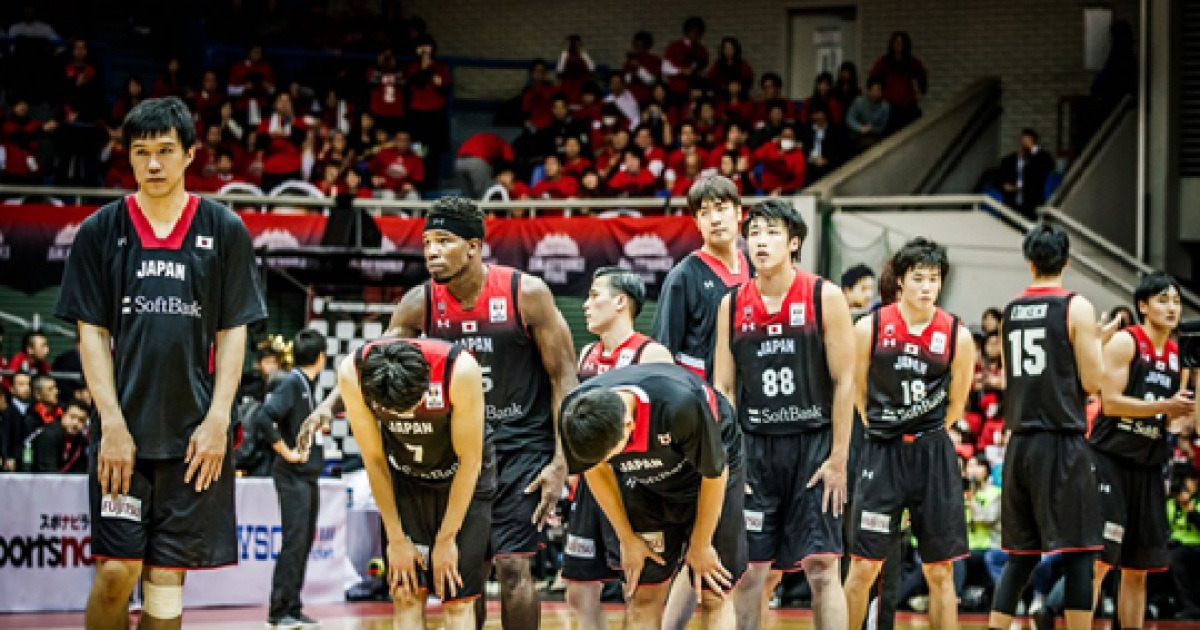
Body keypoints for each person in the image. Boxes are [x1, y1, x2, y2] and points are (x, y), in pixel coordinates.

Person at [303, 196, 578, 629]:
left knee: (512, 567)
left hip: (521, 446)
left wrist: (563, 461)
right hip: (458, 450)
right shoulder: (419, 303)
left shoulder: (526, 294)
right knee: (469, 575)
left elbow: (565, 377)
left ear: (474, 246)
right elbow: (374, 363)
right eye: (428, 241)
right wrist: (327, 406)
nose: (431, 250)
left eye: (444, 241)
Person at [54, 97, 267, 629]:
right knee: (115, 575)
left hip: (195, 442)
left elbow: (234, 332)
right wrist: (112, 424)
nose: (153, 164)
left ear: (190, 155)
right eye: (141, 151)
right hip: (123, 439)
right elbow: (92, 335)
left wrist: (219, 419)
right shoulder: (100, 231)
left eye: (165, 151)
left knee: (166, 591)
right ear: (126, 156)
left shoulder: (224, 229)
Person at [713, 199, 856, 629]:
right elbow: (724, 387)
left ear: (794, 243)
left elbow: (845, 381)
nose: (760, 241)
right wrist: (733, 461)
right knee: (751, 572)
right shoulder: (732, 304)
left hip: (813, 447)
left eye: (772, 232)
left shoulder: (823, 296)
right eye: (754, 232)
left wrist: (839, 459)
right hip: (755, 449)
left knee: (822, 568)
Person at [843, 237, 976, 630]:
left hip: (932, 456)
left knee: (940, 572)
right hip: (882, 454)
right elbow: (857, 391)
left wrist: (925, 430)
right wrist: (882, 428)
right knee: (864, 567)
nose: (926, 287)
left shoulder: (957, 336)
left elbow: (956, 404)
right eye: (918, 278)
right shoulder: (870, 328)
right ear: (900, 281)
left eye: (934, 279)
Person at [987, 224, 1110, 630]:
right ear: (1068, 260)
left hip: (1019, 442)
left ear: (1029, 262)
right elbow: (1092, 382)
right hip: (1060, 442)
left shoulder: (1010, 311)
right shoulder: (1076, 307)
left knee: (1021, 555)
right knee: (1080, 551)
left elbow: (1011, 378)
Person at [560, 363, 747, 630]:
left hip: (707, 476)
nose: (605, 460)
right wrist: (626, 538)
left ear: (628, 425)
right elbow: (596, 469)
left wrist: (701, 544)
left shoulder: (678, 405)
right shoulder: (575, 414)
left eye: (610, 453)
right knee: (642, 593)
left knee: (712, 591)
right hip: (644, 484)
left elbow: (714, 475)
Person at [339, 336, 493, 630]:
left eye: (410, 407)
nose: (405, 417)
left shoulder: (459, 370)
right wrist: (396, 539)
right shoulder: (352, 373)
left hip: (462, 477)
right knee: (406, 592)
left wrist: (447, 539)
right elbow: (374, 459)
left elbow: (470, 461)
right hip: (406, 479)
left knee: (456, 598)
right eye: (394, 413)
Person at [564, 267, 673, 630]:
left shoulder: (652, 354)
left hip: (636, 487)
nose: (585, 305)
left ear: (621, 302)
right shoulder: (586, 355)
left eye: (595, 295)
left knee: (639, 592)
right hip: (591, 484)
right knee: (578, 592)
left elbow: (666, 429)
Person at [1086, 271, 1194, 630]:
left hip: (1148, 467)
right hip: (1109, 461)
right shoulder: (1124, 342)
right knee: (1099, 562)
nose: (1172, 307)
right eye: (1163, 300)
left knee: (1138, 569)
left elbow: (1179, 423)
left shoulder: (1180, 357)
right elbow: (1112, 403)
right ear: (1143, 306)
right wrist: (1165, 404)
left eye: (1177, 301)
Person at [651, 175, 751, 382]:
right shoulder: (683, 276)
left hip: (751, 394)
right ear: (696, 223)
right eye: (705, 213)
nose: (715, 219)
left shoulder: (756, 268)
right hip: (703, 399)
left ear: (739, 212)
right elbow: (663, 351)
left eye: (721, 208)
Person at [260, 329, 328, 629]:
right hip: (292, 475)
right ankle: (279, 611)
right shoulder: (291, 382)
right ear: (321, 357)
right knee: (294, 542)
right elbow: (264, 417)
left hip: (306, 476)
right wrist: (287, 452)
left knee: (301, 543)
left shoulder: (305, 385)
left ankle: (293, 606)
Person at [868, 31, 928, 133]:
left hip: (907, 106)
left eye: (901, 43)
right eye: (896, 42)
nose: (898, 45)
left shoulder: (912, 62)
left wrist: (920, 91)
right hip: (889, 106)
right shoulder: (884, 62)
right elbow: (872, 80)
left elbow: (922, 79)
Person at [996, 128, 1057, 220]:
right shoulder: (1008, 160)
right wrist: (1004, 186)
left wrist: (1032, 148)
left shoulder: (1039, 158)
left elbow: (1045, 168)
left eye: (1026, 141)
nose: (1023, 144)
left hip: (1031, 205)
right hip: (1011, 205)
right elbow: (999, 179)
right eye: (1022, 141)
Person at [30, 397, 89, 474]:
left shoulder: (81, 441)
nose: (75, 423)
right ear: (63, 415)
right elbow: (48, 471)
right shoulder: (48, 435)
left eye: (81, 420)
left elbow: (79, 472)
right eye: (72, 417)